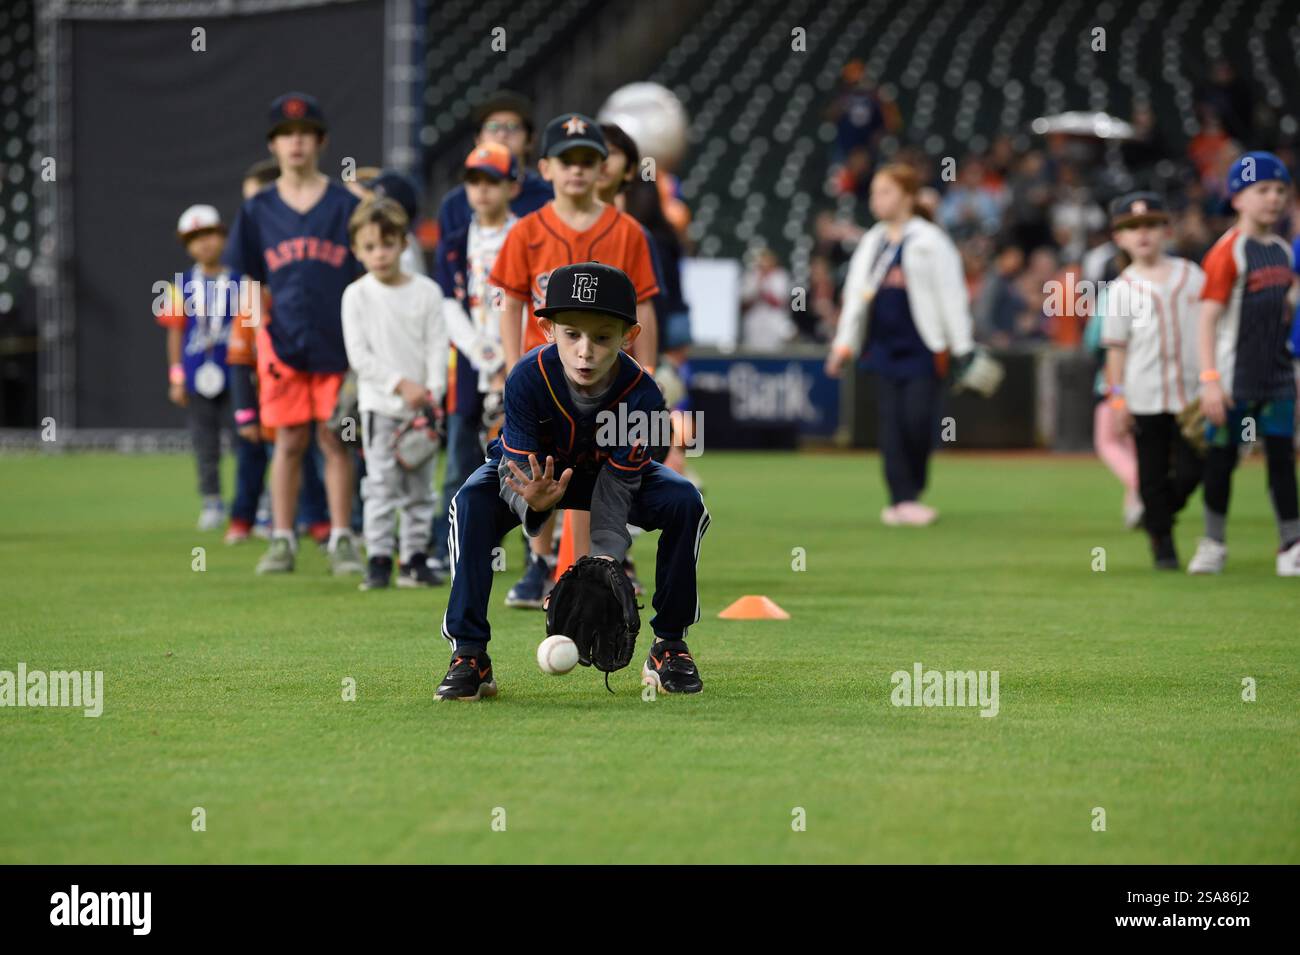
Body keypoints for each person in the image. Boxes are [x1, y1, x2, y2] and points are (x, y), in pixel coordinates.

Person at [435, 262, 709, 701]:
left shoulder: (645, 395)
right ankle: (470, 654)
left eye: (602, 336)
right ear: (547, 330)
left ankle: (669, 646)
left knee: (685, 501)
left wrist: (602, 565)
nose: (585, 351)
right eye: (572, 334)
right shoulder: (526, 377)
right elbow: (516, 470)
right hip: (533, 478)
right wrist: (536, 505)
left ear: (628, 337)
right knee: (469, 502)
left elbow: (617, 491)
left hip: (611, 479)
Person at [488, 113, 661, 608]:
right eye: (567, 161)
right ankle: (538, 562)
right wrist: (507, 360)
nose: (578, 171)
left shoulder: (626, 230)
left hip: (608, 374)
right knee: (538, 466)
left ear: (604, 167)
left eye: (588, 160)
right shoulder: (526, 230)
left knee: (598, 468)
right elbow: (510, 298)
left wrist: (646, 366)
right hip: (542, 375)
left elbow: (644, 300)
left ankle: (590, 567)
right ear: (545, 168)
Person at [223, 92, 364, 576]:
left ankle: (342, 536)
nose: (295, 142)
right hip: (281, 346)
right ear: (274, 146)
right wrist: (254, 338)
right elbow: (245, 280)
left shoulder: (345, 203)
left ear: (321, 141)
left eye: (304, 134)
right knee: (286, 442)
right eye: (285, 136)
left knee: (333, 439)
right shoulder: (258, 208)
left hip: (336, 345)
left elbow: (364, 277)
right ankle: (282, 539)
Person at [825, 163, 978, 526]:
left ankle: (913, 489)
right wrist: (842, 346)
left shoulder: (931, 240)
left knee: (918, 422)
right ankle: (901, 499)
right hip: (883, 347)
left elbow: (951, 296)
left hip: (924, 347)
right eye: (875, 192)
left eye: (886, 192)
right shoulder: (872, 241)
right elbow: (855, 299)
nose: (877, 199)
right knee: (891, 425)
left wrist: (963, 346)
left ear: (907, 196)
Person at [1190, 151, 1300, 576]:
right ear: (1237, 198)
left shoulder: (1281, 251)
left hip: (1276, 378)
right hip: (1233, 379)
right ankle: (1212, 544)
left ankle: (1291, 545)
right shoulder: (1226, 253)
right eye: (1261, 190)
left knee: (1280, 460)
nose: (1272, 199)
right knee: (1222, 458)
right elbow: (1207, 320)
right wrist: (1209, 379)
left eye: (1279, 190)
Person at [341, 198, 449, 589]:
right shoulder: (356, 295)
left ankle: (415, 557)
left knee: (421, 487)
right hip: (380, 408)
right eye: (369, 247)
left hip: (423, 411)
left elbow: (438, 346)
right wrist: (401, 386)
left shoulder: (427, 292)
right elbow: (360, 356)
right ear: (357, 250)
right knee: (381, 485)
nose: (379, 254)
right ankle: (379, 558)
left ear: (404, 244)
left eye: (387, 244)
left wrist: (432, 392)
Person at [1100, 193, 1205, 568]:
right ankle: (1162, 545)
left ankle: (1157, 515)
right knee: (1152, 474)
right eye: (1131, 227)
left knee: (1196, 468)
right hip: (1145, 393)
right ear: (1119, 237)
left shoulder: (1191, 275)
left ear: (1166, 230)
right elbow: (1116, 350)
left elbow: (1213, 325)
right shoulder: (1122, 288)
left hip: (1192, 393)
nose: (1142, 234)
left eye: (1150, 225)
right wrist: (1117, 400)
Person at [429, 143, 516, 576]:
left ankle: (505, 551)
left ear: (511, 186)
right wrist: (481, 352)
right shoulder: (450, 243)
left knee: (512, 459)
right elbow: (447, 303)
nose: (482, 190)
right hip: (466, 364)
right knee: (461, 458)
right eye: (474, 181)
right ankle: (447, 547)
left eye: (492, 181)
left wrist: (506, 355)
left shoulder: (525, 235)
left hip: (518, 359)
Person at [155, 204, 252, 534]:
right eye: (194, 239)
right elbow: (175, 332)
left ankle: (251, 503)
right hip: (197, 378)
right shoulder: (179, 284)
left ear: (222, 236)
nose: (204, 244)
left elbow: (254, 329)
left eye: (209, 234)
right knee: (205, 443)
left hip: (238, 376)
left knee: (246, 441)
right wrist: (176, 376)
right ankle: (211, 501)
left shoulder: (241, 280)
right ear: (187, 246)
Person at [434, 90, 553, 243]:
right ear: (478, 139)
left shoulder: (547, 197)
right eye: (492, 126)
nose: (502, 135)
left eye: (512, 127)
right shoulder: (454, 205)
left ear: (530, 140)